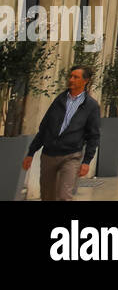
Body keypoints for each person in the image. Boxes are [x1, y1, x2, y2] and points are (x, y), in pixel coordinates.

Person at [22, 65, 100, 201]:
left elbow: (93, 135)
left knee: (65, 195)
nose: (71, 79)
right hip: (49, 155)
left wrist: (87, 161)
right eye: (70, 76)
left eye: (76, 77)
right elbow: (45, 128)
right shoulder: (60, 100)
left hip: (71, 156)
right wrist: (31, 152)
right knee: (47, 196)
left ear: (85, 81)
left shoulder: (91, 106)